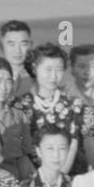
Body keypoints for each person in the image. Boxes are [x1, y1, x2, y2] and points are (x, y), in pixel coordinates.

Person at [13, 43, 85, 174]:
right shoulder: (19, 106)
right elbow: (20, 149)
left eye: (59, 69)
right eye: (48, 69)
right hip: (30, 175)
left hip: (68, 175)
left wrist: (60, 177)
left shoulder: (73, 104)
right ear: (34, 68)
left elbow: (73, 145)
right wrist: (39, 180)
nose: (54, 76)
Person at [0, 20, 35, 98]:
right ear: (1, 45)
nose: (17, 50)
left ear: (31, 45)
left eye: (23, 44)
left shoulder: (41, 78)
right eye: (11, 44)